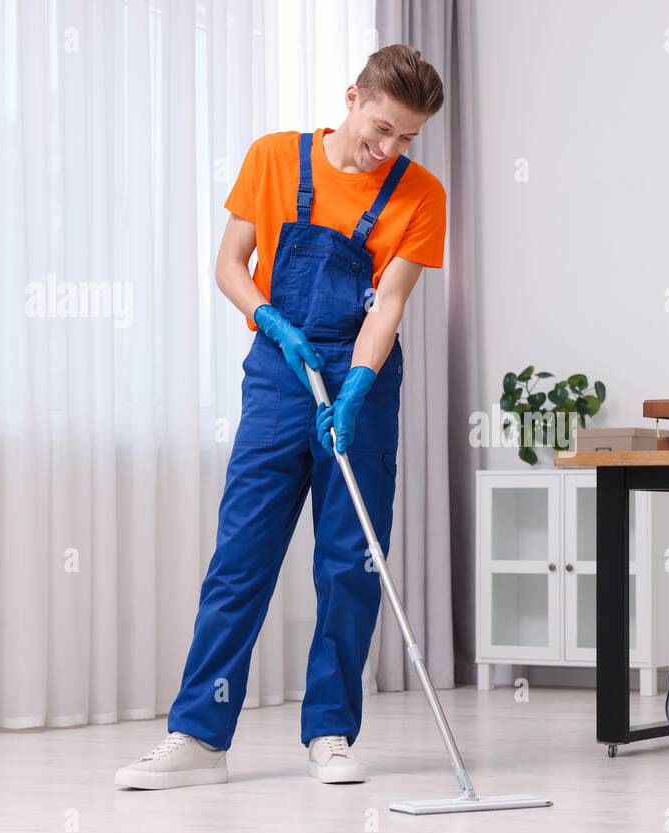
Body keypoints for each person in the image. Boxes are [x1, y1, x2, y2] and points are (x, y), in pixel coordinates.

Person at [115, 44, 447, 789]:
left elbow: (388, 302)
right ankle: (199, 736)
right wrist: (270, 316)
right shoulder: (273, 159)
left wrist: (358, 383)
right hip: (277, 371)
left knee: (348, 562)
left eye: (407, 139)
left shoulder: (422, 194)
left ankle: (330, 731)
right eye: (383, 128)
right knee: (241, 556)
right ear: (352, 95)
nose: (389, 148)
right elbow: (230, 262)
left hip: (362, 376)